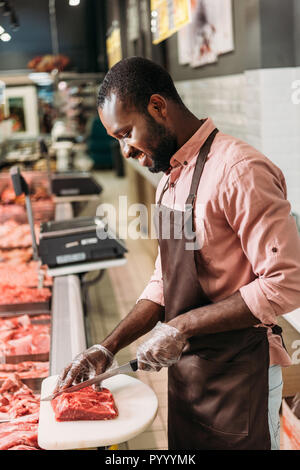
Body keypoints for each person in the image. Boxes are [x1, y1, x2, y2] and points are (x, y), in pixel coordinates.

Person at [54, 57, 300, 450]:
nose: (125, 150)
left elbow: (286, 284)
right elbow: (164, 282)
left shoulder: (240, 170)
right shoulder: (169, 181)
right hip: (189, 376)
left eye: (126, 133)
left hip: (241, 374)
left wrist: (180, 327)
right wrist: (107, 347)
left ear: (157, 106)